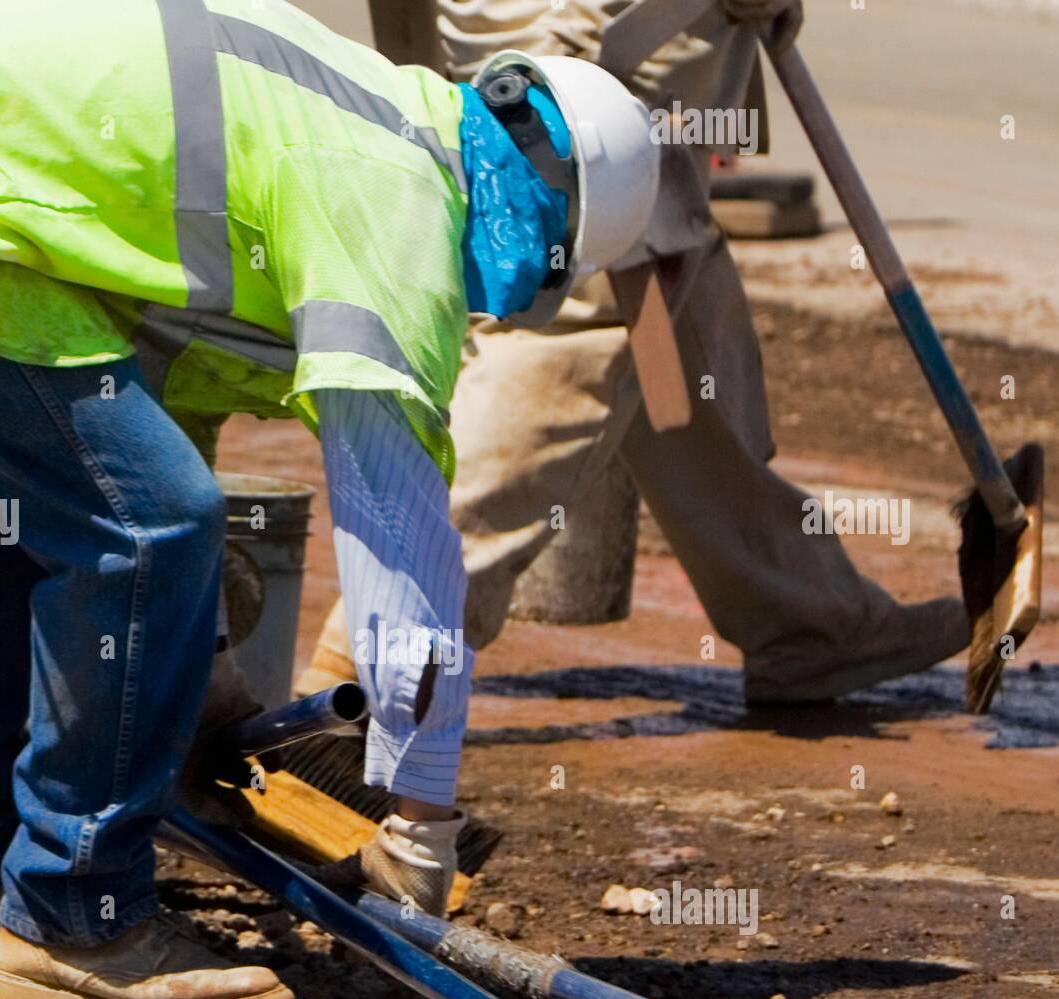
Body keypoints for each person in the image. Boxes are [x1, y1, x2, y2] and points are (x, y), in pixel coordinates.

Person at [0, 0, 659, 999]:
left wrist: (200, 662)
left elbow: (152, 402)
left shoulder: (371, 116)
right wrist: (421, 823)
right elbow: (398, 555)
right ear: (542, 228)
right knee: (153, 530)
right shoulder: (401, 204)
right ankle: (78, 916)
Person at [300, 0, 969, 703]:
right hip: (585, 22)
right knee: (580, 299)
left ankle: (800, 613)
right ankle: (370, 664)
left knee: (659, 304)